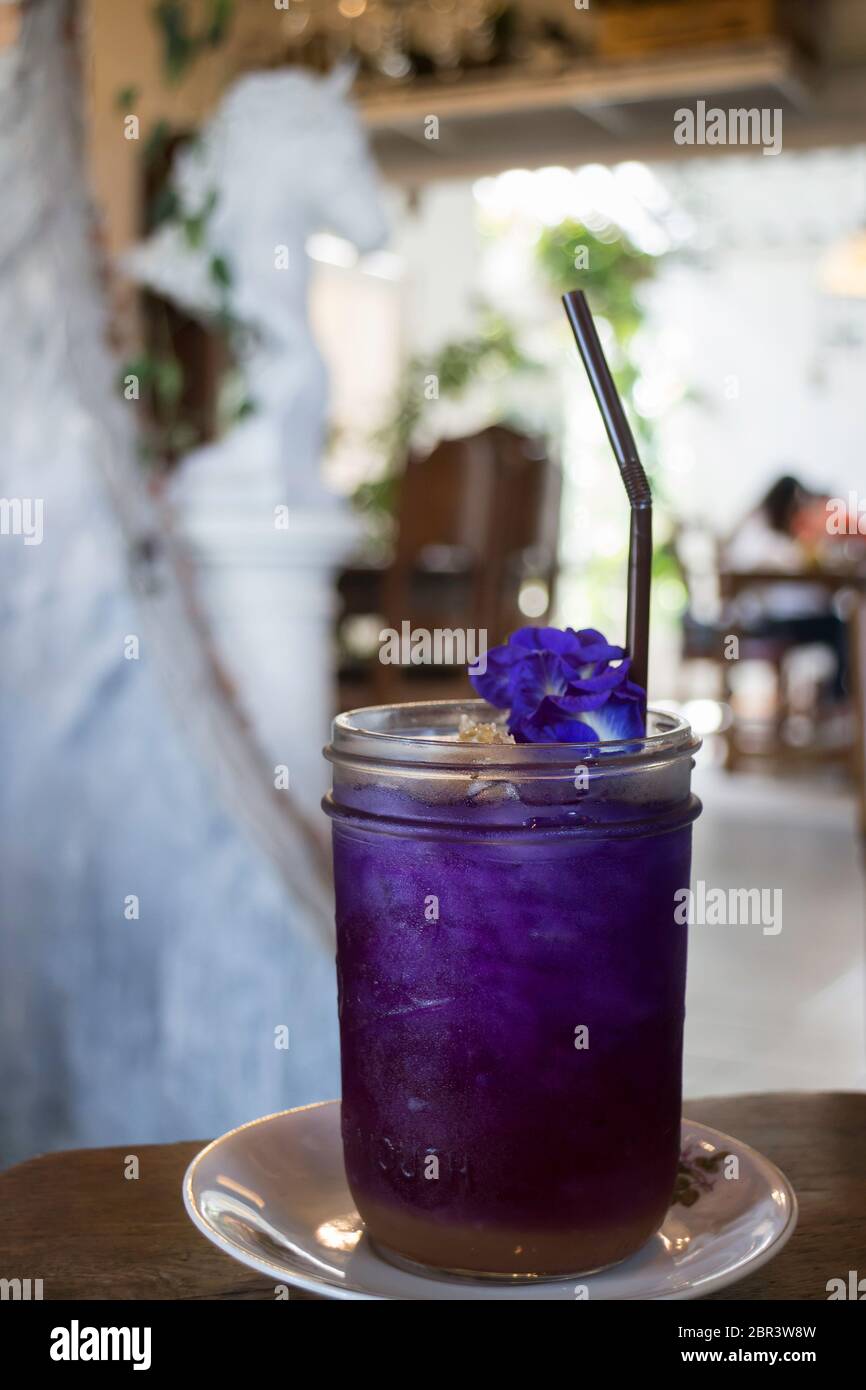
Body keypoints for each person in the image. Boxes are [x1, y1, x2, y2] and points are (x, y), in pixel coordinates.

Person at [723, 474, 848, 700]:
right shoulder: (759, 533)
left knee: (835, 622)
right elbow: (765, 563)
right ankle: (839, 700)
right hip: (752, 625)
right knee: (838, 627)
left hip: (763, 619)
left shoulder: (767, 532)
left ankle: (835, 699)